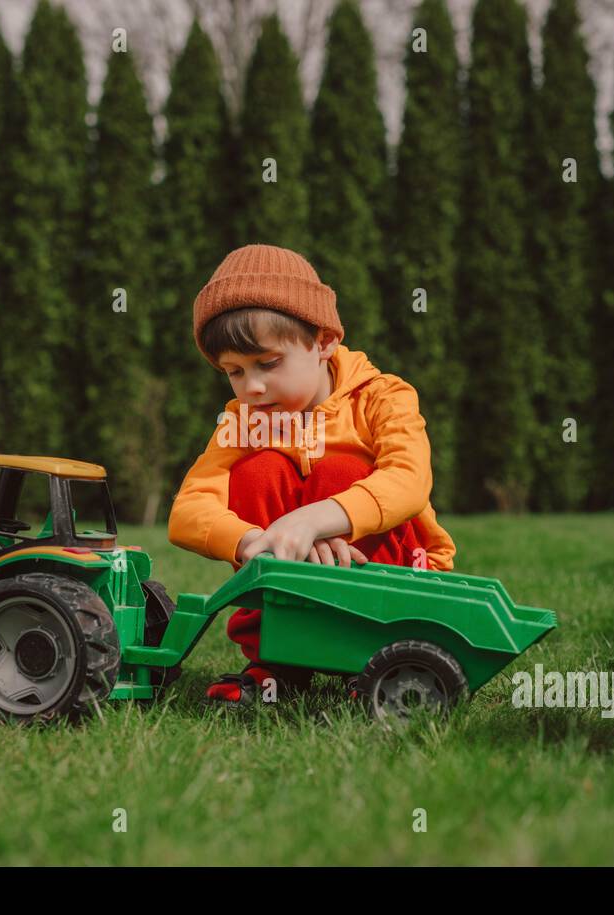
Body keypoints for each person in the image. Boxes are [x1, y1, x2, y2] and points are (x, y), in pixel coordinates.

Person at [166, 244, 455, 704]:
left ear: (323, 342)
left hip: (393, 581)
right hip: (292, 574)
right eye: (233, 372)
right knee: (258, 471)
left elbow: (409, 480)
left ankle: (370, 658)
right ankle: (278, 662)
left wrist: (313, 520)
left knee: (342, 468)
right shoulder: (243, 420)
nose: (252, 387)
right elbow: (189, 510)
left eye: (268, 363)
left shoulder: (383, 396)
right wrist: (252, 541)